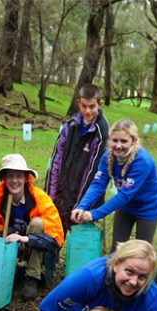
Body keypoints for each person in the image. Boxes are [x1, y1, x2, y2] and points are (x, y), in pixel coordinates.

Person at [71, 119, 157, 250]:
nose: (118, 145)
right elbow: (98, 184)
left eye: (124, 141)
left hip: (147, 206)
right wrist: (82, 206)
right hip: (126, 206)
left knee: (142, 251)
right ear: (110, 140)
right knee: (117, 248)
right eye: (115, 140)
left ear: (134, 140)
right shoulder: (108, 156)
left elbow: (124, 195)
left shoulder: (142, 162)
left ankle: (151, 271)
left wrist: (94, 214)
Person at [0, 154, 64, 300]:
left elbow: (54, 238)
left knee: (38, 223)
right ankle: (4, 271)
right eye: (10, 176)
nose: (15, 181)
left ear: (26, 178)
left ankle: (32, 276)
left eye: (19, 176)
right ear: (4, 178)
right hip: (8, 243)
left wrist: (25, 238)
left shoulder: (40, 198)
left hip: (32, 244)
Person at [45, 83, 110, 232]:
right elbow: (56, 161)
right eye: (84, 106)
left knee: (77, 246)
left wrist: (81, 206)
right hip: (62, 192)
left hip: (84, 199)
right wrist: (50, 197)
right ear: (78, 103)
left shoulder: (102, 132)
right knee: (51, 235)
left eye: (92, 106)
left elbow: (94, 172)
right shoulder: (70, 125)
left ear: (100, 104)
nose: (87, 111)